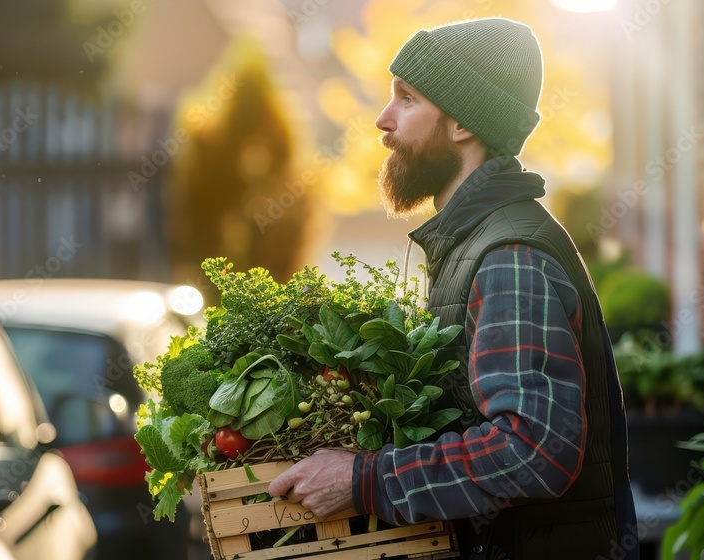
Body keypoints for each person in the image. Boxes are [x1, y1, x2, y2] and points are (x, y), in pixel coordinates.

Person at [267, 17, 638, 560]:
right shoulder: (474, 242)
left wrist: (366, 480)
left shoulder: (509, 257)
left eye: (407, 99)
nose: (382, 119)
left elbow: (533, 451)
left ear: (463, 123)